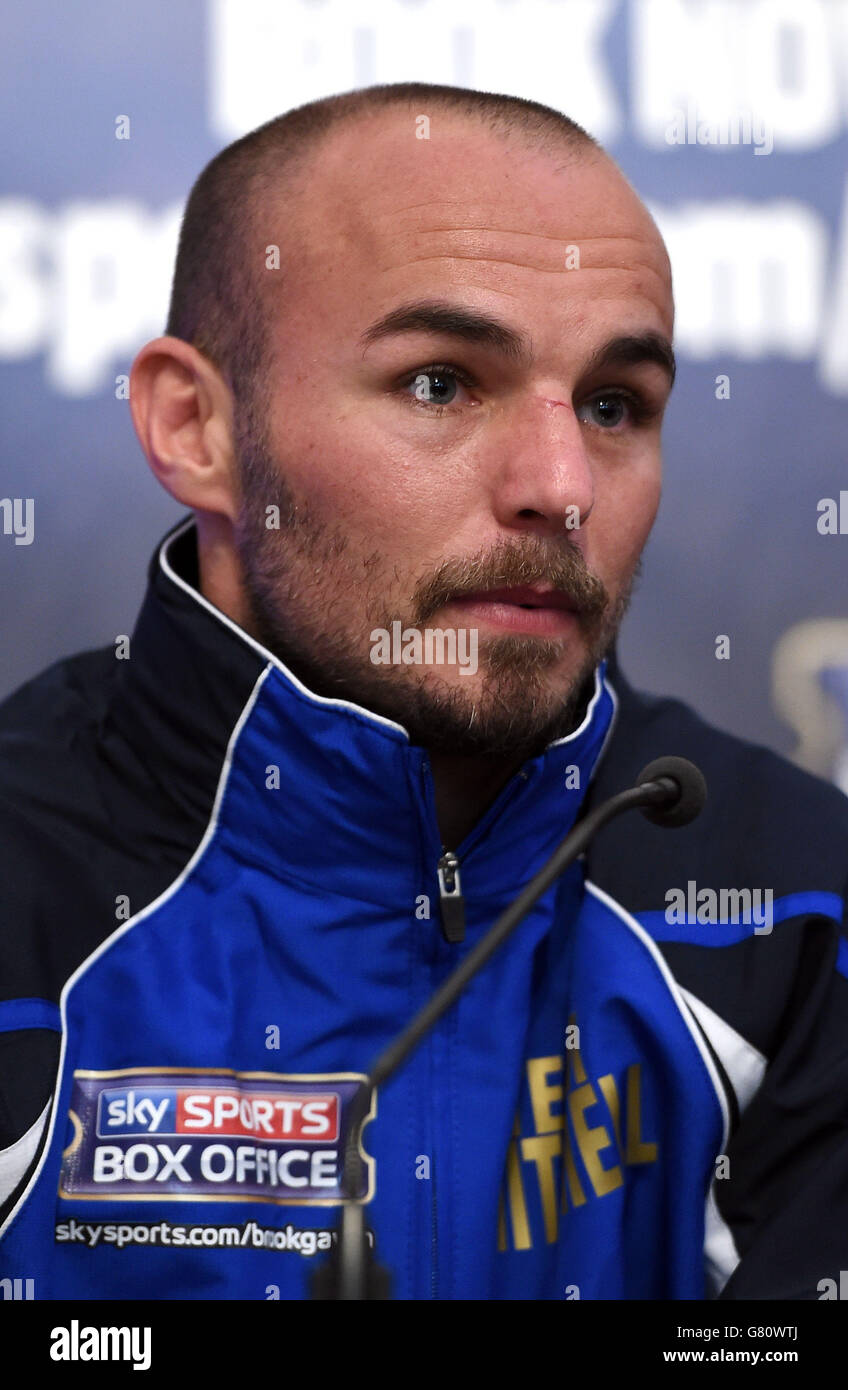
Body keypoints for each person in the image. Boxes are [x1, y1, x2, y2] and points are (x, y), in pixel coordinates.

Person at [1, 81, 847, 1302]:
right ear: (196, 426)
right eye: (440, 384)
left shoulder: (799, 906)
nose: (562, 485)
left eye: (614, 406)